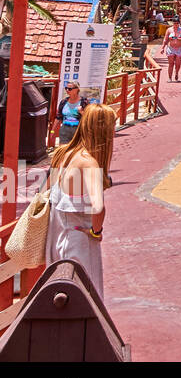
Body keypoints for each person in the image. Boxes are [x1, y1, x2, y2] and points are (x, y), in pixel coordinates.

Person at [46, 103, 115, 297]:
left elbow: (48, 191)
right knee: (85, 297)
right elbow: (98, 207)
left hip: (58, 237)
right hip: (79, 242)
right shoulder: (89, 162)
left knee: (60, 294)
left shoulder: (64, 154)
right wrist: (96, 232)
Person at [55, 81, 88, 146]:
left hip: (78, 131)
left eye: (70, 89)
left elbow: (88, 118)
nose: (67, 90)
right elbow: (58, 117)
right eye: (66, 88)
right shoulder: (63, 101)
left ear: (77, 89)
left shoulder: (84, 102)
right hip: (64, 130)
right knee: (63, 152)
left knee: (75, 152)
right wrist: (52, 131)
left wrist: (81, 112)